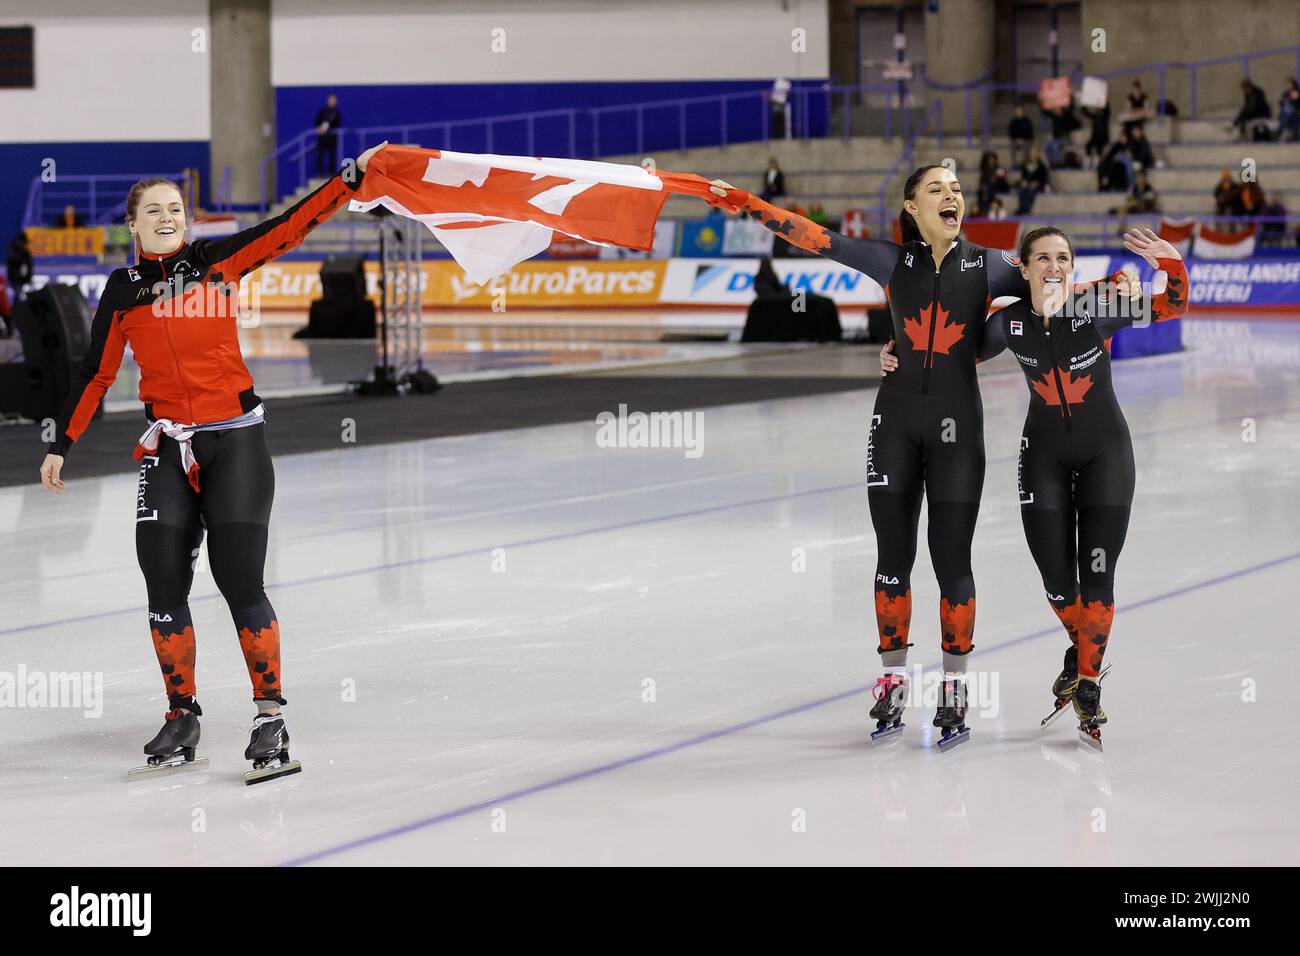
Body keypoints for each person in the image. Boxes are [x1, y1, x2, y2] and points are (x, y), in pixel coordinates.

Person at [704, 164, 1122, 746]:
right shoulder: (890, 262)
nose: (952, 197)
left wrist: (1118, 293)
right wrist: (747, 203)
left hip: (958, 431)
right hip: (895, 421)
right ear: (911, 207)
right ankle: (892, 678)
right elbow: (816, 238)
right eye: (937, 191)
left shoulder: (991, 264)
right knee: (891, 557)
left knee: (951, 559)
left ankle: (954, 687)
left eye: (957, 190)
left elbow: (1048, 281)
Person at [39, 140, 389, 780]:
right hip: (166, 448)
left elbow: (288, 227)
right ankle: (182, 714)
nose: (167, 218)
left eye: (175, 208)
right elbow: (95, 375)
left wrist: (348, 178)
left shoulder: (214, 263)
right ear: (133, 224)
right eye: (154, 211)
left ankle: (268, 714)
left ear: (187, 219)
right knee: (162, 582)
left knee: (239, 581)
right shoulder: (122, 291)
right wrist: (62, 443)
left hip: (236, 443)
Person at [975, 226, 1187, 743]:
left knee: (1098, 574)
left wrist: (1173, 265)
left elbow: (1173, 306)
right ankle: (1082, 646)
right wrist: (894, 350)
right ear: (1023, 270)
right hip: (1042, 455)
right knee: (1056, 578)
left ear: (1072, 267)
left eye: (1063, 258)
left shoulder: (1101, 307)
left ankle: (1088, 679)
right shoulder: (1008, 323)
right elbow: (947, 354)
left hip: (1105, 455)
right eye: (1041, 258)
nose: (1053, 266)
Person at [1016, 144, 1051, 215]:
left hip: (1038, 184)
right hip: (1027, 183)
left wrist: (1037, 182)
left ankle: (1027, 209)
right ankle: (1021, 208)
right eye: (1032, 152)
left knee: (1031, 190)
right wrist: (1024, 181)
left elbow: (1044, 177)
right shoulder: (1026, 163)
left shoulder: (1041, 164)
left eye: (1035, 152)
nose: (1034, 153)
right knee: (1021, 190)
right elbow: (1023, 176)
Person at [315, 94, 343, 177]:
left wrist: (329, 128)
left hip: (332, 138)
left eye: (334, 101)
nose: (332, 102)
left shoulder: (337, 113)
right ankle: (319, 173)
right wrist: (319, 129)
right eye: (331, 100)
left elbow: (338, 124)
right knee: (320, 155)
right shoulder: (323, 111)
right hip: (322, 138)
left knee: (332, 156)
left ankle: (332, 173)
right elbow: (317, 122)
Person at [1081, 101, 1111, 169]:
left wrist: (1102, 100)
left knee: (1098, 149)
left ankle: (1096, 164)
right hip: (1095, 137)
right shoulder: (1095, 115)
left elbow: (1107, 109)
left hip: (1103, 137)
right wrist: (1083, 106)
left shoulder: (1105, 115)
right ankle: (1088, 162)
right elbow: (1086, 113)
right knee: (1088, 146)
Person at [7, 231, 32, 302]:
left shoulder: (26, 252)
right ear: (19, 241)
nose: (25, 244)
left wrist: (29, 278)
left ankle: (18, 310)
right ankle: (17, 311)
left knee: (22, 297)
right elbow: (12, 259)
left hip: (24, 279)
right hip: (15, 279)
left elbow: (29, 266)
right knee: (19, 297)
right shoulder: (13, 250)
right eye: (24, 243)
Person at [1276, 78, 1300, 142]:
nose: (1288, 85)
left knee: (1291, 118)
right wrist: (1284, 101)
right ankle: (1278, 135)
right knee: (1285, 118)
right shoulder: (1285, 93)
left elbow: (1295, 102)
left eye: (1290, 83)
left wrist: (1289, 99)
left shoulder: (1296, 91)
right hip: (1285, 112)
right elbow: (1280, 102)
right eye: (1287, 84)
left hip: (1294, 112)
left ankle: (1294, 136)